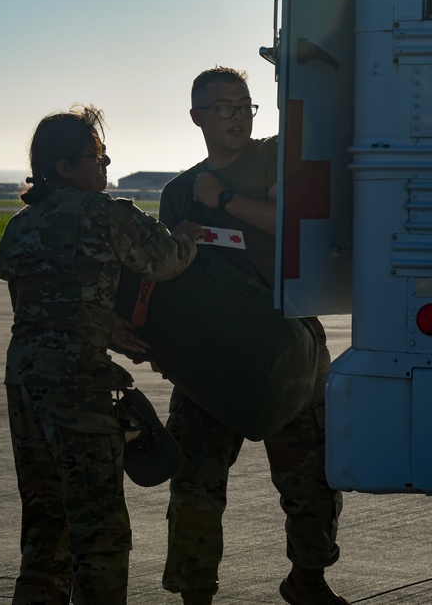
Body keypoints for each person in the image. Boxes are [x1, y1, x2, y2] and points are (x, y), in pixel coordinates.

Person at [0, 106, 200, 605]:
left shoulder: (21, 224)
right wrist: (190, 238)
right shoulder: (105, 213)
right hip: (76, 384)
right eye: (97, 155)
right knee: (99, 533)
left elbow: (37, 302)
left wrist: (103, 327)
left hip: (24, 381)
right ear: (65, 167)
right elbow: (165, 260)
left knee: (45, 525)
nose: (105, 165)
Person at [158, 68, 349, 605]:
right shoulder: (177, 194)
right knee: (195, 480)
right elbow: (163, 277)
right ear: (197, 116)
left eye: (246, 106)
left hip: (289, 342)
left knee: (312, 476)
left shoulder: (272, 157)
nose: (238, 116)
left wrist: (221, 200)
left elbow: (297, 221)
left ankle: (308, 578)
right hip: (210, 356)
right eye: (224, 107)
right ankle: (195, 590)